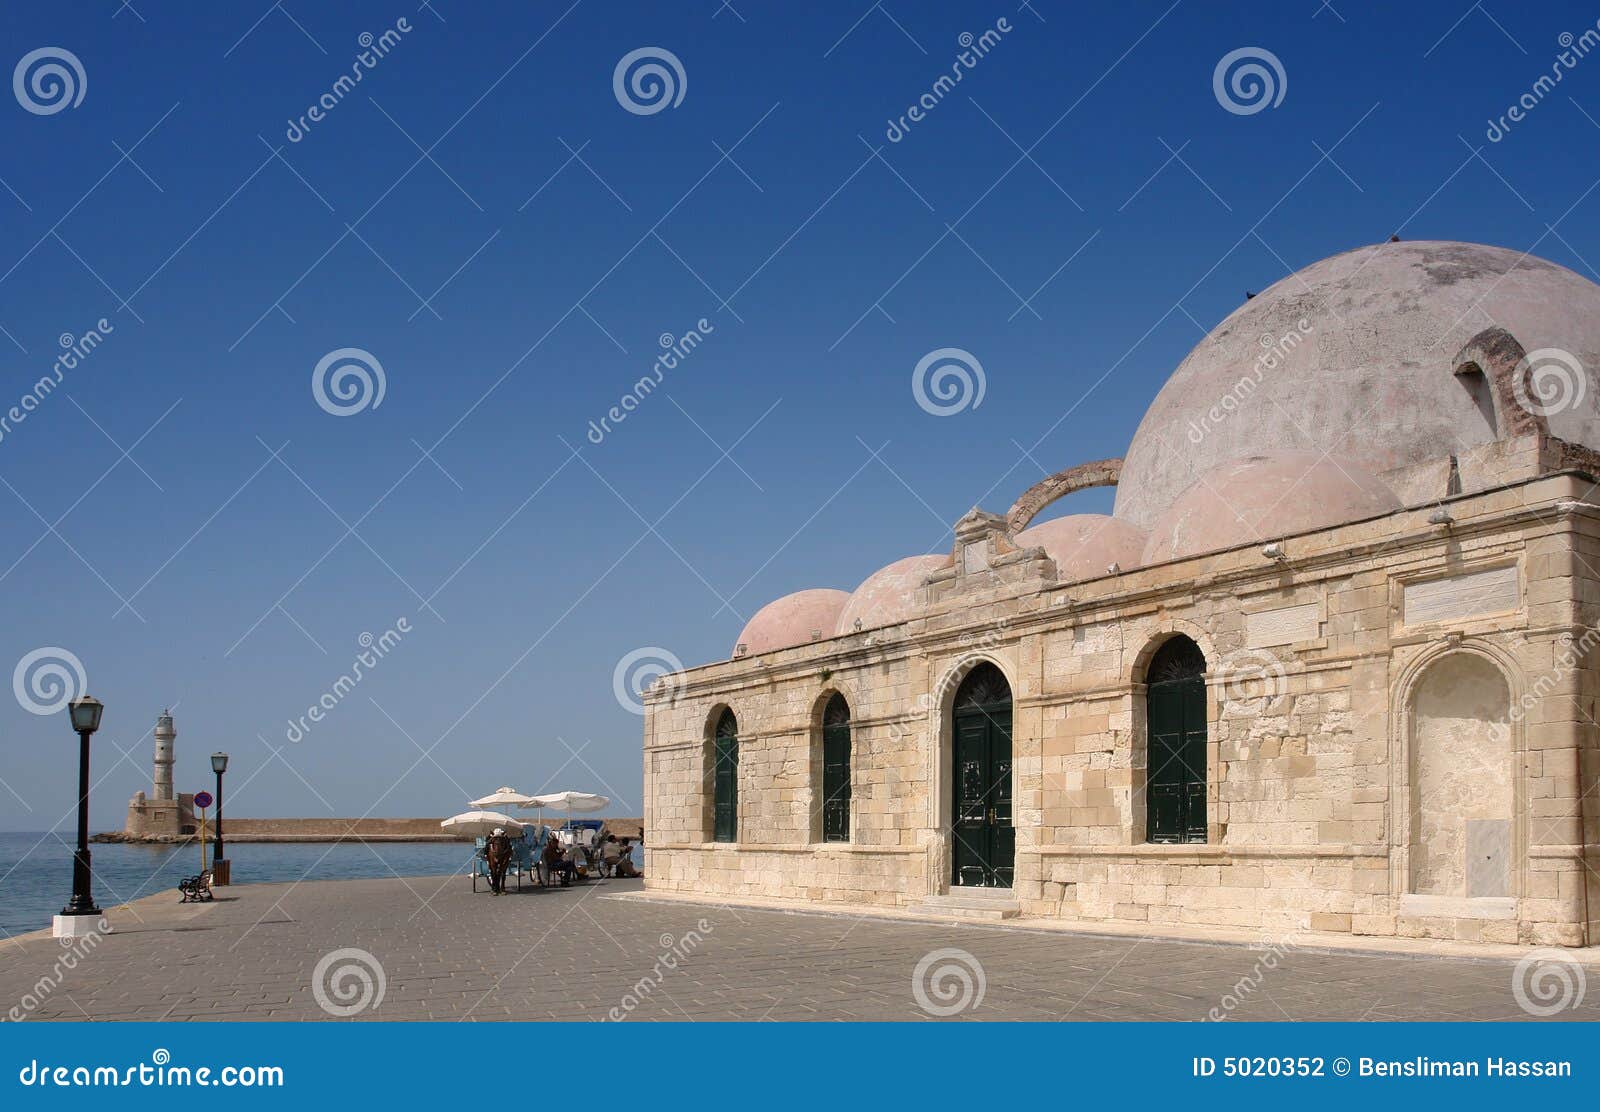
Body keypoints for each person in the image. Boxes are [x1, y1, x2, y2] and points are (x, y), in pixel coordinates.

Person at [485, 827, 514, 895]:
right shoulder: (491, 837)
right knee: (493, 872)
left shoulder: (505, 837)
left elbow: (509, 845)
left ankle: (502, 887)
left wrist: (509, 851)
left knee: (503, 872)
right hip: (493, 853)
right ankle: (494, 888)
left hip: (504, 853)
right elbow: (487, 843)